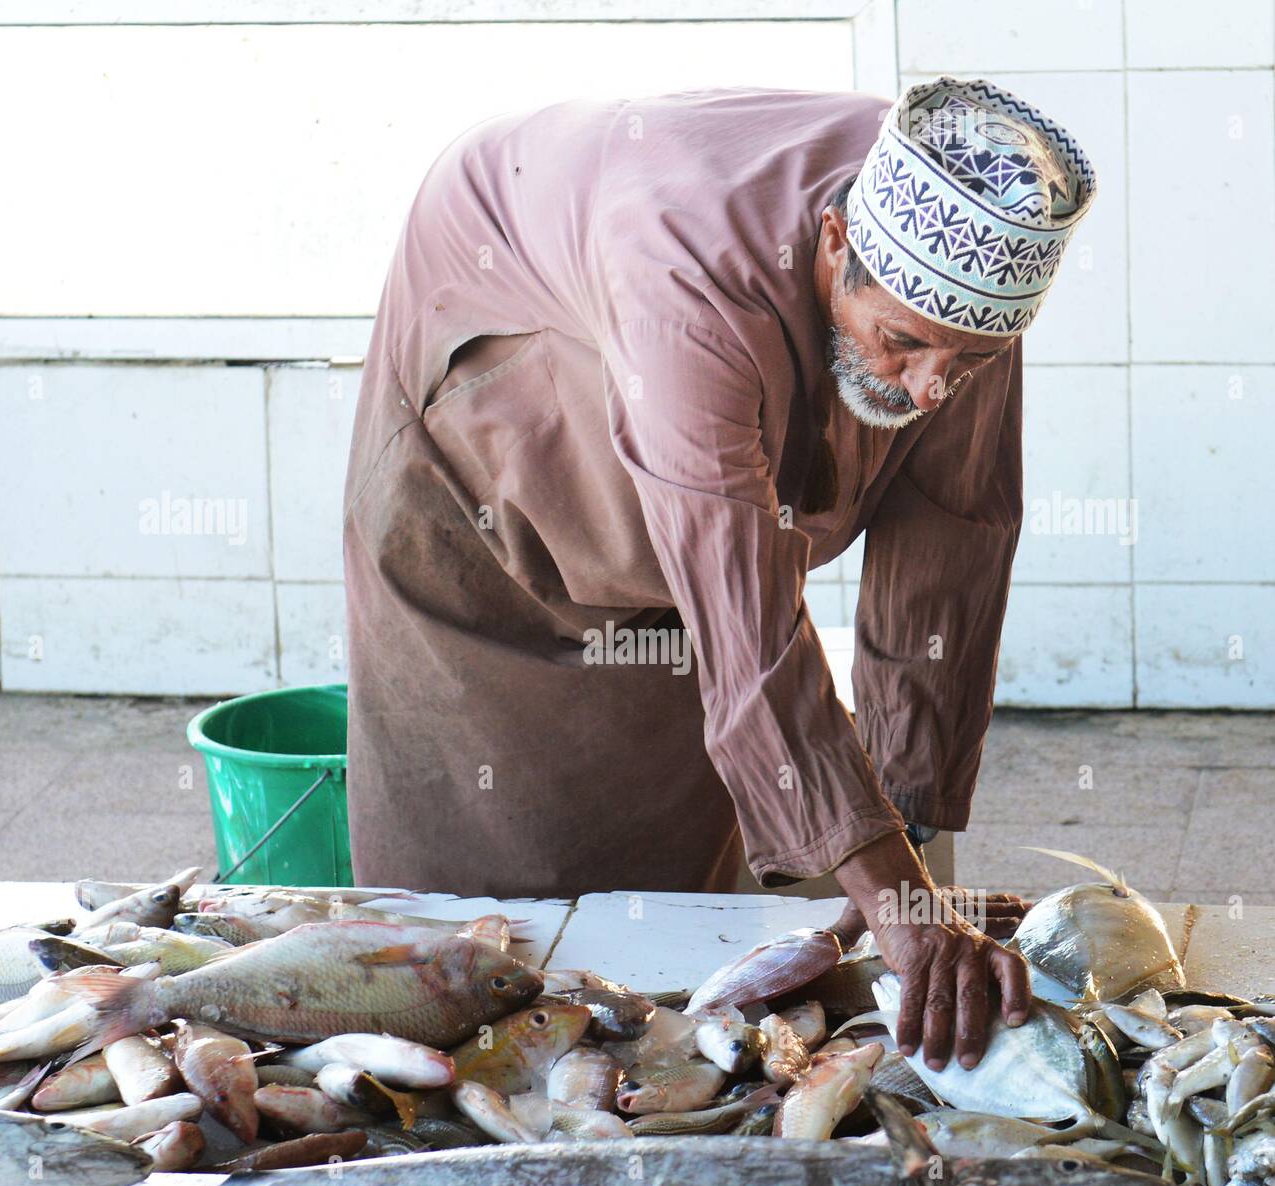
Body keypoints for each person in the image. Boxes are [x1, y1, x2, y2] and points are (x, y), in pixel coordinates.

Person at [344, 77, 1097, 1070]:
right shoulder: (686, 283)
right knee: (491, 945)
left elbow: (951, 545)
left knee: (672, 928)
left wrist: (913, 866)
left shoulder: (961, 268)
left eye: (964, 361)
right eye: (903, 346)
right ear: (834, 245)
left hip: (671, 538)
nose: (928, 389)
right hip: (490, 491)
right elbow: (749, 647)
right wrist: (898, 906)